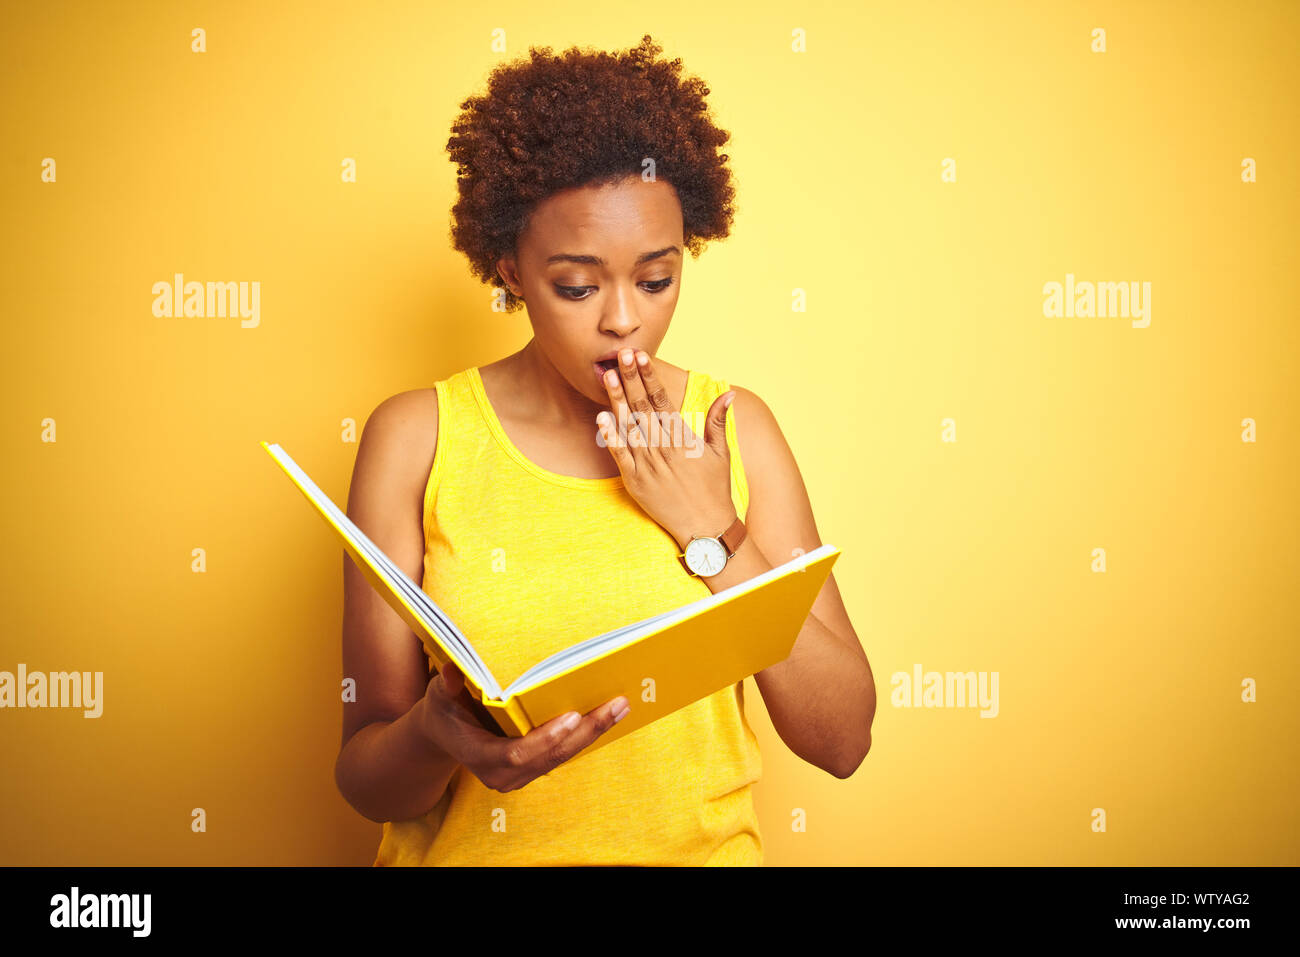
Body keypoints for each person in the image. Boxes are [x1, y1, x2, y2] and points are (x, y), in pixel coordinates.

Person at [334, 34, 876, 866]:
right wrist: (438, 735)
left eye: (655, 280)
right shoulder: (416, 437)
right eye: (579, 287)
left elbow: (842, 738)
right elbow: (369, 776)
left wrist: (713, 530)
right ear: (510, 268)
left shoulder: (732, 427)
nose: (624, 320)